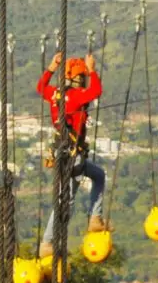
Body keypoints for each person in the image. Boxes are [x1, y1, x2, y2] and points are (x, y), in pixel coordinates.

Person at [36, 51, 106, 259]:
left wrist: (51, 67)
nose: (84, 81)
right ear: (77, 79)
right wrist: (92, 69)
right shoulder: (77, 96)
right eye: (82, 78)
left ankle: (95, 218)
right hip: (73, 155)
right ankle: (47, 242)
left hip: (62, 151)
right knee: (67, 200)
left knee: (98, 175)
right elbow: (97, 90)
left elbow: (41, 88)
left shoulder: (55, 94)